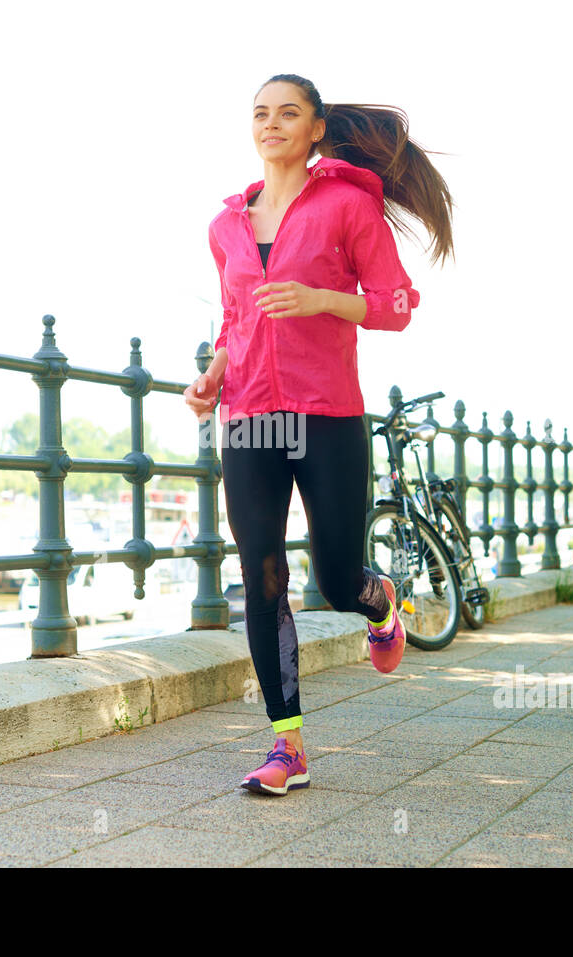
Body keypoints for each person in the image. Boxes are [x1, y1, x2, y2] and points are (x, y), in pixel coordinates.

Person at [184, 74, 454, 796]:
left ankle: (381, 600)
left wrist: (320, 300)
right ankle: (288, 746)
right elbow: (239, 320)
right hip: (249, 419)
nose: (270, 124)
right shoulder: (226, 225)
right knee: (263, 576)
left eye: (288, 113)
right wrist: (213, 375)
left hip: (326, 412)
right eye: (260, 113)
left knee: (335, 579)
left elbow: (394, 304)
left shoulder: (346, 204)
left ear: (314, 128)